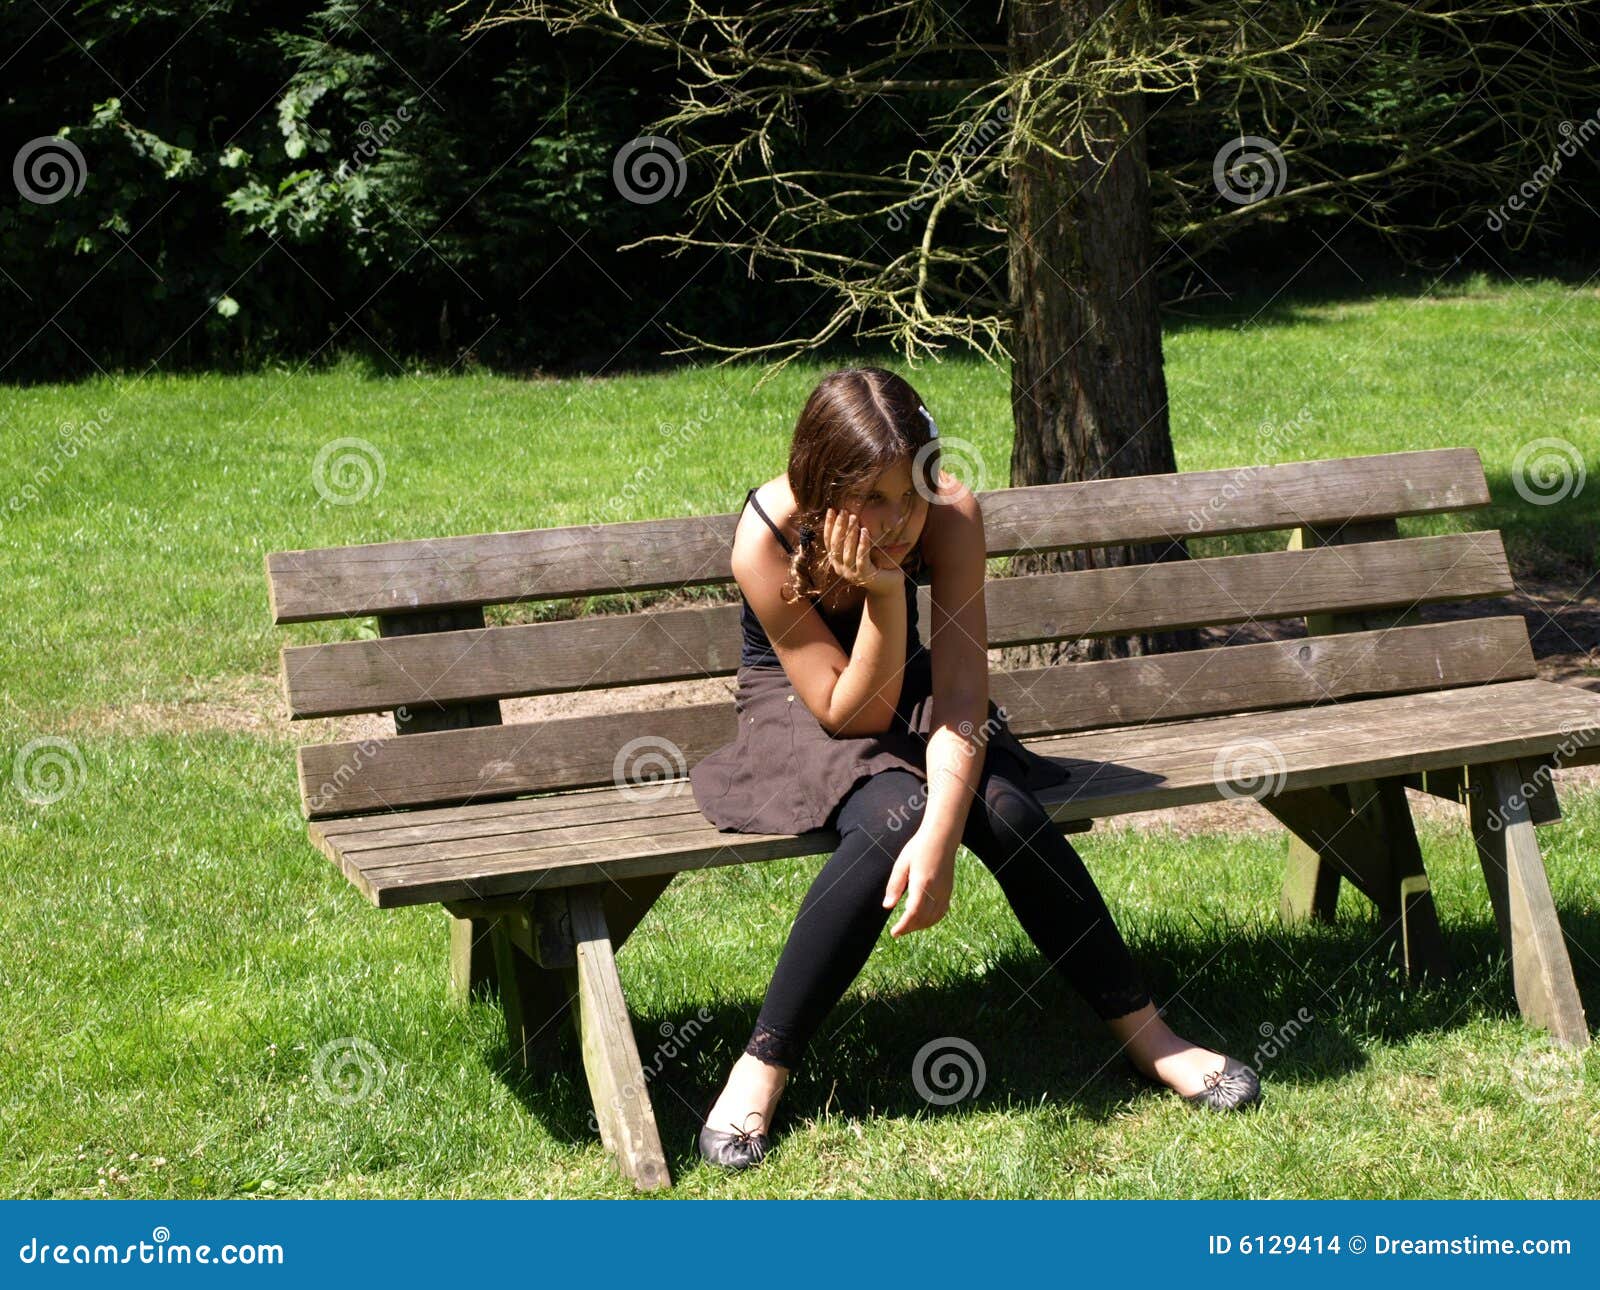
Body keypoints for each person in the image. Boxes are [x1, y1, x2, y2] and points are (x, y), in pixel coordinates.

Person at [688, 367, 1261, 1170]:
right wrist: (887, 596)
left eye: (908, 496)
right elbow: (852, 714)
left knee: (1009, 812)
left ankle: (1149, 1035)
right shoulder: (769, 534)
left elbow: (959, 696)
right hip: (803, 703)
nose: (897, 521)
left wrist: (945, 830)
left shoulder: (950, 512)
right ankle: (763, 1065)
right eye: (872, 500)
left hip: (912, 687)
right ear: (821, 488)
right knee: (892, 822)